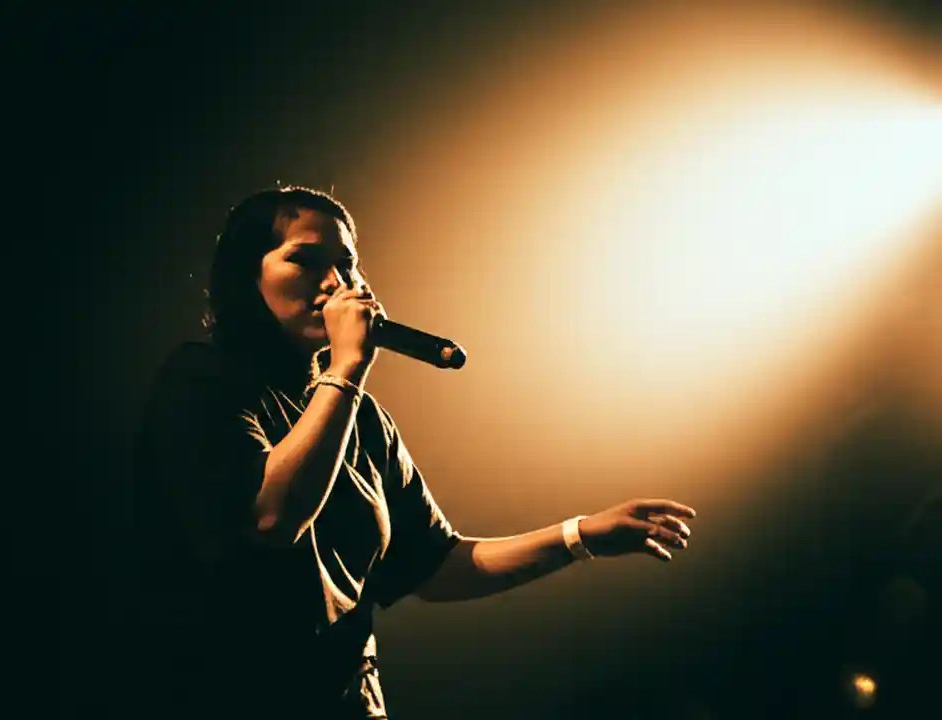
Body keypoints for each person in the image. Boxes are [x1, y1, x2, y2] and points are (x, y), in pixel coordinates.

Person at [131, 185, 697, 718]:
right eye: (305, 260)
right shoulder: (202, 381)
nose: (336, 281)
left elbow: (436, 565)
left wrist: (580, 536)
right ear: (247, 275)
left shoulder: (362, 421)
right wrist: (348, 368)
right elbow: (271, 516)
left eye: (347, 263)